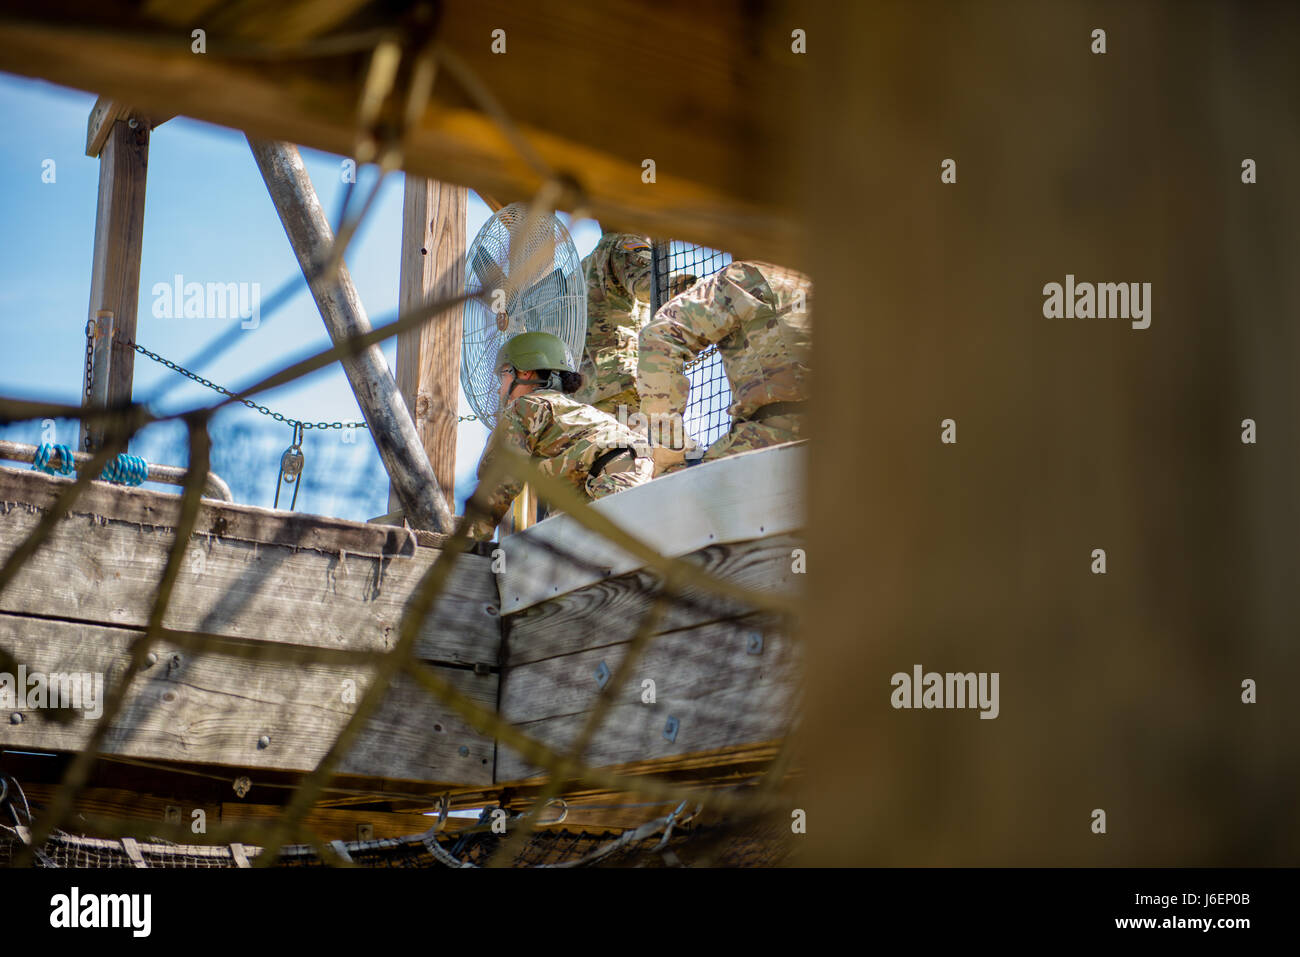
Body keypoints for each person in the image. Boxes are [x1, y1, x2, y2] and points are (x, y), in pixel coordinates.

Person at [464, 331, 653, 540]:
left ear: (525, 372)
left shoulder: (526, 406)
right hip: (636, 479)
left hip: (608, 481)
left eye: (503, 376)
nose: (500, 389)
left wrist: (472, 534)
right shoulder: (572, 411)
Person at [637, 260, 812, 475]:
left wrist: (668, 445)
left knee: (663, 492)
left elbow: (659, 336)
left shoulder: (746, 277)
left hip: (773, 443)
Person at [574, 231, 693, 415]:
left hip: (588, 400)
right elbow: (652, 285)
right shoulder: (625, 246)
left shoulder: (581, 269)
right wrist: (706, 292)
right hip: (625, 389)